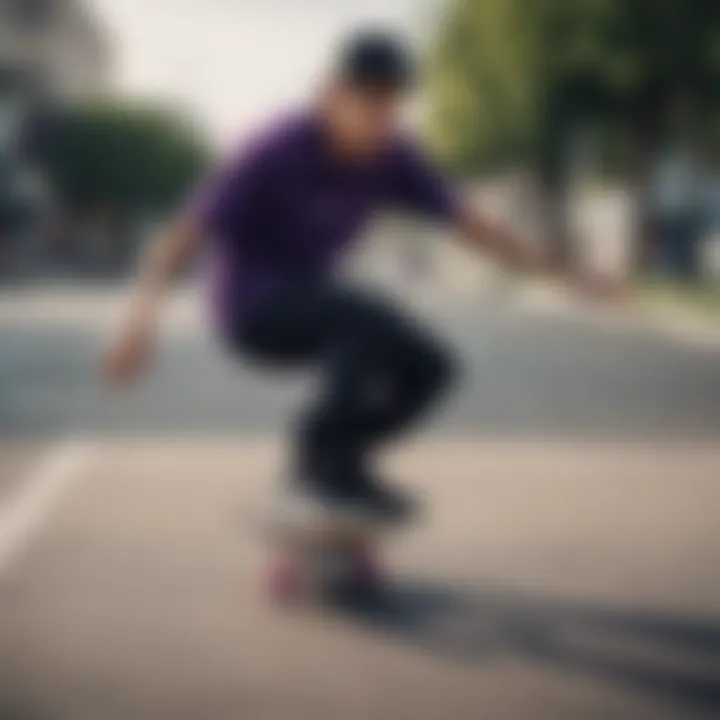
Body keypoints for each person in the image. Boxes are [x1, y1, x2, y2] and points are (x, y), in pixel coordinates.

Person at [104, 29, 623, 522]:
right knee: (362, 317)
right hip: (249, 310)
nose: (381, 121)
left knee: (432, 367)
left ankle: (343, 463)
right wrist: (140, 320)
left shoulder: (394, 157)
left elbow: (478, 228)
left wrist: (570, 275)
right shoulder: (274, 146)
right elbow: (183, 233)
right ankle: (316, 463)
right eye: (369, 105)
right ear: (329, 95)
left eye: (392, 107)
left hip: (316, 303)